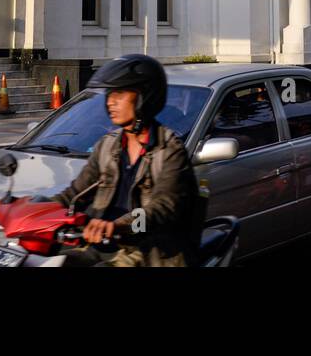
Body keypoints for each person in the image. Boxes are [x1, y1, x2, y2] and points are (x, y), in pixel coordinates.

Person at [36, 54, 199, 266]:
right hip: (103, 247)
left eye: (120, 93)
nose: (110, 101)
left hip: (150, 251)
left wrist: (119, 225)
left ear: (145, 96)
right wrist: (26, 209)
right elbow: (74, 194)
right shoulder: (107, 146)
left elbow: (162, 208)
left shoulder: (168, 150)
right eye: (109, 94)